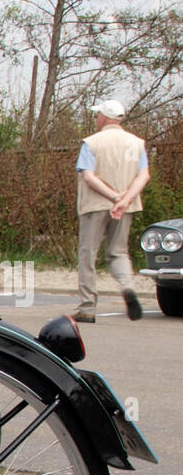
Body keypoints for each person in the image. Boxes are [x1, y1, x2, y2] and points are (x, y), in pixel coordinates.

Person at [74, 98, 150, 323]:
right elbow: (143, 175)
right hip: (125, 207)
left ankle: (87, 306)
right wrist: (125, 199)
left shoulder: (92, 142)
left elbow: (88, 176)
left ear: (104, 118)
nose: (96, 119)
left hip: (95, 205)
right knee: (118, 252)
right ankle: (127, 286)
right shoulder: (137, 143)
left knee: (88, 253)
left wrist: (113, 197)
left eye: (97, 115)